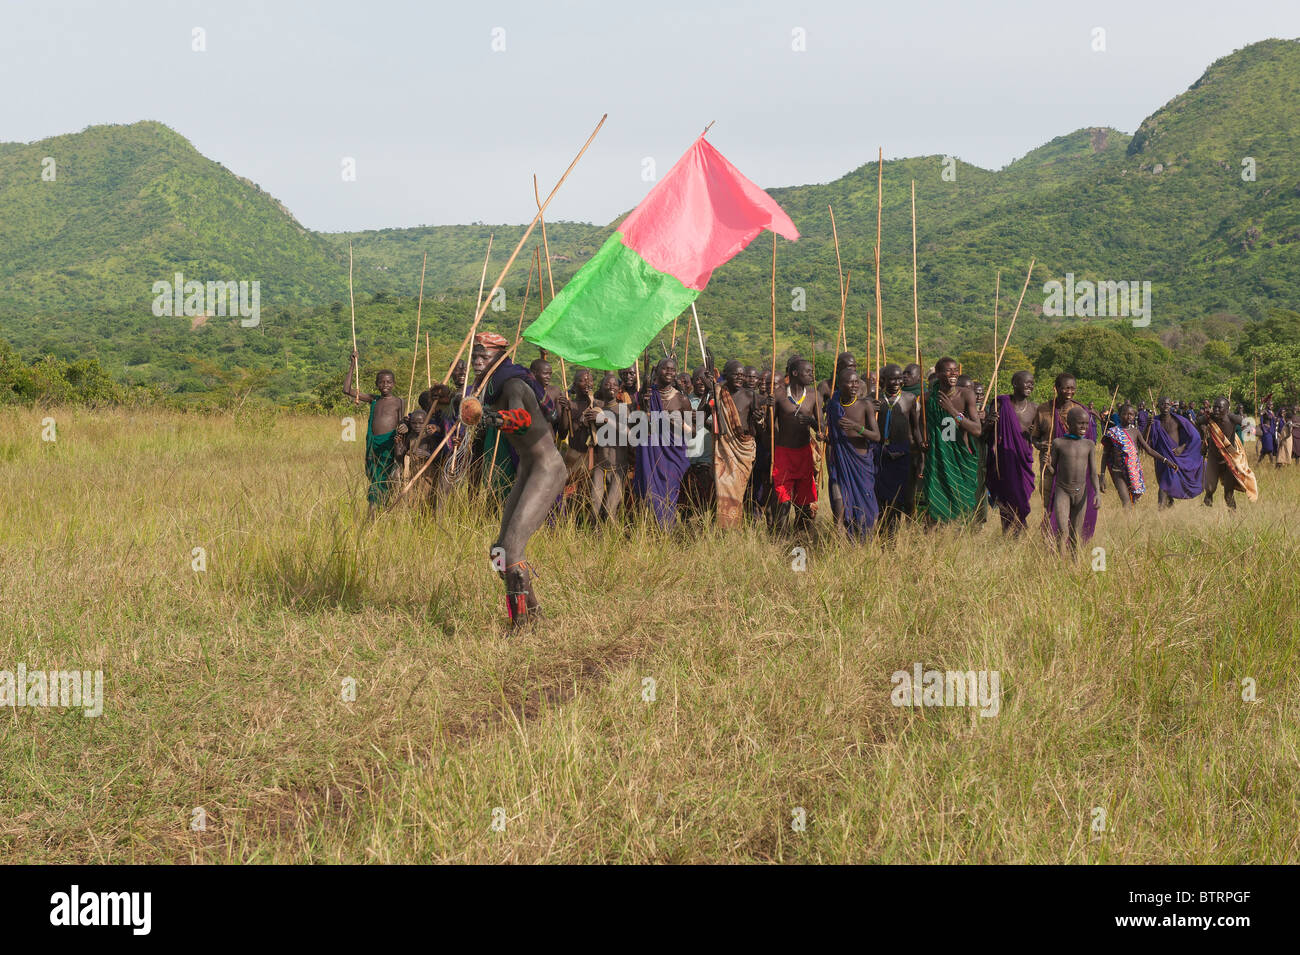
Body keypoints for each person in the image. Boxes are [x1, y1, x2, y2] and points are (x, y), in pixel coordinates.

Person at [469, 332, 566, 627]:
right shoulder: (489, 386)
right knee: (499, 552)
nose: (476, 362)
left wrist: (490, 418)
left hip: (547, 469)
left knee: (512, 550)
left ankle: (520, 625)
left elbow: (521, 419)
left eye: (483, 357)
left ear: (498, 358)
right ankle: (533, 615)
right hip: (527, 468)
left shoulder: (511, 383)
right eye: (474, 355)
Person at [632, 357, 694, 528]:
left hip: (673, 455)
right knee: (650, 493)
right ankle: (652, 532)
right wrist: (643, 408)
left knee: (670, 492)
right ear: (657, 370)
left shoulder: (681, 399)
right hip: (650, 453)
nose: (669, 372)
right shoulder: (647, 394)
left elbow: (694, 432)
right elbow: (633, 421)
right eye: (665, 368)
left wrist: (678, 424)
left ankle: (668, 530)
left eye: (672, 369)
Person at [343, 354, 405, 517]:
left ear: (394, 384)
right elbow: (347, 390)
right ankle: (376, 509)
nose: (385, 385)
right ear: (376, 384)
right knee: (376, 477)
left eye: (388, 382)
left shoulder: (399, 402)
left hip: (389, 445)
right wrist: (352, 365)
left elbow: (402, 424)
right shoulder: (373, 400)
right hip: (374, 446)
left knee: (386, 478)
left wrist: (401, 440)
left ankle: (379, 508)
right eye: (382, 382)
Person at [922, 357, 981, 524]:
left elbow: (977, 429)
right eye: (949, 370)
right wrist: (922, 440)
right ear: (939, 374)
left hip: (960, 457)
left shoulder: (966, 395)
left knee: (964, 503)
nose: (954, 373)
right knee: (936, 499)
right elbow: (920, 425)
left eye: (956, 370)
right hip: (938, 458)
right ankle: (934, 540)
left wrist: (953, 411)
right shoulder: (928, 398)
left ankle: (961, 537)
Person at [825, 371, 881, 537]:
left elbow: (876, 436)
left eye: (857, 382)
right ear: (840, 385)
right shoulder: (833, 406)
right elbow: (832, 435)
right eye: (850, 382)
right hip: (840, 462)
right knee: (839, 500)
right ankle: (841, 537)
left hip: (861, 463)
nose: (855, 386)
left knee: (866, 510)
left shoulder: (865, 405)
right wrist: (824, 436)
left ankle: (865, 543)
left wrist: (857, 427)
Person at [771, 357, 822, 533]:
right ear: (794, 373)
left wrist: (812, 422)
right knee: (783, 500)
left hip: (804, 454)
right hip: (783, 453)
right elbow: (770, 425)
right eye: (808, 372)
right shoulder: (779, 395)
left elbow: (822, 429)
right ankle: (780, 537)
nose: (811, 375)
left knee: (804, 501)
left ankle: (800, 535)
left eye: (812, 372)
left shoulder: (814, 396)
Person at [984, 370, 1038, 533]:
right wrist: (990, 422)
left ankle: (1019, 528)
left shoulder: (1035, 409)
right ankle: (1010, 531)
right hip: (1004, 460)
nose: (1030, 385)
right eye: (1026, 382)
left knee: (1021, 498)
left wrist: (1033, 433)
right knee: (1006, 497)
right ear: (1015, 384)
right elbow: (987, 435)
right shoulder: (1000, 403)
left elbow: (1036, 437)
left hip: (1023, 460)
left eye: (1032, 383)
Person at [874, 363, 922, 535]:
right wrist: (871, 410)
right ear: (883, 381)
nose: (895, 382)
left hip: (902, 453)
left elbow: (915, 429)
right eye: (891, 379)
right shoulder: (874, 399)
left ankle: (893, 535)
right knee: (881, 498)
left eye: (898, 378)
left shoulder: (910, 399)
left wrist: (921, 452)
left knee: (900, 498)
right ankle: (882, 532)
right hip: (880, 453)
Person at [1045, 407, 1100, 558]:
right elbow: (1053, 471)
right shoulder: (1059, 443)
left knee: (1076, 532)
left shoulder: (1089, 445)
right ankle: (1060, 562)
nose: (1083, 427)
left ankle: (1076, 563)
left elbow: (1094, 472)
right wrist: (1048, 464)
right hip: (1063, 491)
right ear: (1068, 423)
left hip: (1081, 493)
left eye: (1086, 424)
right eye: (1079, 423)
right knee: (1063, 531)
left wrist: (1097, 494)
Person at [713, 360, 760, 529]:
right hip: (725, 449)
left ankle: (737, 524)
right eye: (736, 374)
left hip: (744, 448)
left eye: (742, 375)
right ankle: (725, 526)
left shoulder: (750, 395)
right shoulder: (718, 392)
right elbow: (705, 413)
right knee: (724, 486)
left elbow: (756, 427)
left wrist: (758, 419)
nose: (740, 378)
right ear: (726, 375)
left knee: (739, 490)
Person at [1099, 403, 1163, 508]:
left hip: (1133, 471)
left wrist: (1165, 460)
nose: (1129, 416)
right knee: (1126, 502)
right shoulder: (1112, 432)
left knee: (1134, 502)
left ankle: (1131, 523)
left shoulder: (1135, 431)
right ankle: (1127, 522)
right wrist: (1102, 475)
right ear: (1119, 415)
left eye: (1132, 414)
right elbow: (1105, 455)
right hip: (1118, 472)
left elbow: (1148, 449)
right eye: (1126, 414)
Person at [1201, 397, 1258, 508]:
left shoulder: (1232, 418)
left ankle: (1233, 518)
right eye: (1215, 407)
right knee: (1210, 489)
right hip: (1213, 458)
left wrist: (1249, 428)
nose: (1216, 410)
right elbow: (1196, 423)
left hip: (1229, 460)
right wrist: (1203, 439)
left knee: (1228, 493)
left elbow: (1251, 426)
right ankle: (1206, 513)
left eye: (1219, 407)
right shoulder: (1210, 418)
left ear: (1227, 410)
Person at [589, 372, 631, 524]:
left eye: (614, 384)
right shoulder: (595, 409)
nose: (611, 386)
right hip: (600, 467)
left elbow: (629, 433)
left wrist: (606, 419)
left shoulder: (623, 409)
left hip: (618, 466)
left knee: (610, 510)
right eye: (607, 384)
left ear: (619, 388)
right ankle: (594, 542)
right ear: (601, 387)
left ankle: (613, 543)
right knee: (594, 506)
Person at [1146, 397, 1203, 507]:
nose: (1165, 406)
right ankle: (1169, 505)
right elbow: (1145, 441)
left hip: (1174, 457)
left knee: (1163, 485)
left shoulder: (1178, 420)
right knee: (1164, 482)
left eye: (1167, 404)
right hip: (1160, 458)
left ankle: (1160, 511)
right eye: (1162, 404)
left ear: (1171, 405)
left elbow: (1194, 435)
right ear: (1158, 406)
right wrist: (1148, 425)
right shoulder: (1155, 421)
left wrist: (1182, 447)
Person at [680, 367, 716, 517]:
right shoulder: (685, 400)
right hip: (688, 457)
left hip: (708, 457)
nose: (701, 382)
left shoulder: (714, 400)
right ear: (692, 381)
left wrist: (703, 420)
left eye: (704, 379)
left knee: (707, 499)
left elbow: (721, 425)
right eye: (697, 379)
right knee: (687, 499)